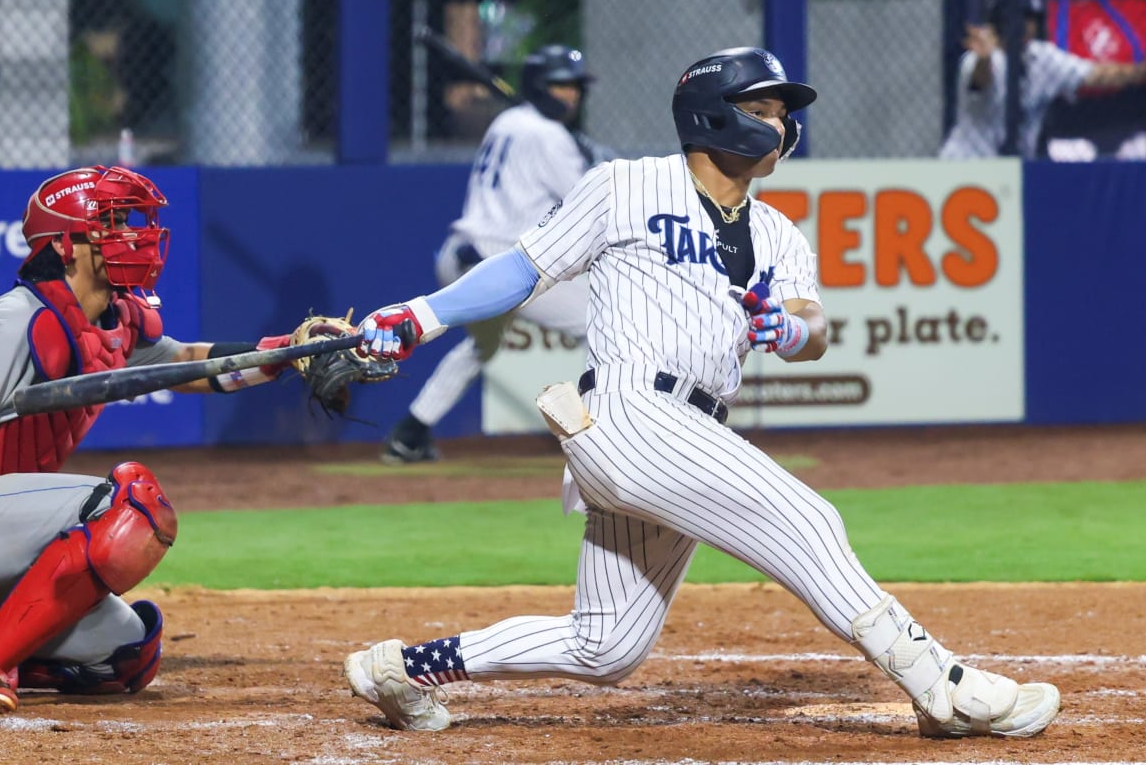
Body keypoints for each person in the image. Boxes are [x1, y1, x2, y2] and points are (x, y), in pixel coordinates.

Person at [343, 47, 1060, 740]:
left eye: (784, 111)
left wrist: (790, 330)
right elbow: (521, 271)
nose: (781, 123)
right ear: (714, 115)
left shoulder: (779, 233)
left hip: (687, 434)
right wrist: (420, 315)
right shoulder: (624, 186)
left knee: (607, 645)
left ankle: (402, 669)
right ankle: (941, 685)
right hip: (629, 414)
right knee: (808, 520)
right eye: (765, 107)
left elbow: (815, 327)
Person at [0, 166, 326, 713]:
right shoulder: (15, 321)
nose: (134, 234)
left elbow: (188, 364)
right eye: (112, 223)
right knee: (130, 504)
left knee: (126, 654)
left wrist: (285, 353)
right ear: (64, 244)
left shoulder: (108, 323)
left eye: (128, 221)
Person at [381, 44, 602, 464]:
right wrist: (595, 162)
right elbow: (587, 201)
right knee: (601, 325)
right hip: (508, 262)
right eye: (560, 86)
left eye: (575, 87)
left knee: (481, 347)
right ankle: (614, 432)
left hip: (465, 253)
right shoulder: (547, 134)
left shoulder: (510, 120)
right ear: (540, 86)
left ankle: (410, 433)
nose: (570, 95)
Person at [938, 0, 1146, 159]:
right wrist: (983, 60)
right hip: (968, 163)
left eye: (1031, 19)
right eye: (1020, 18)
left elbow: (1096, 75)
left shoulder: (1043, 57)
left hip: (1013, 173)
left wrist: (1145, 71)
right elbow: (981, 81)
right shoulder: (980, 59)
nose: (1025, 26)